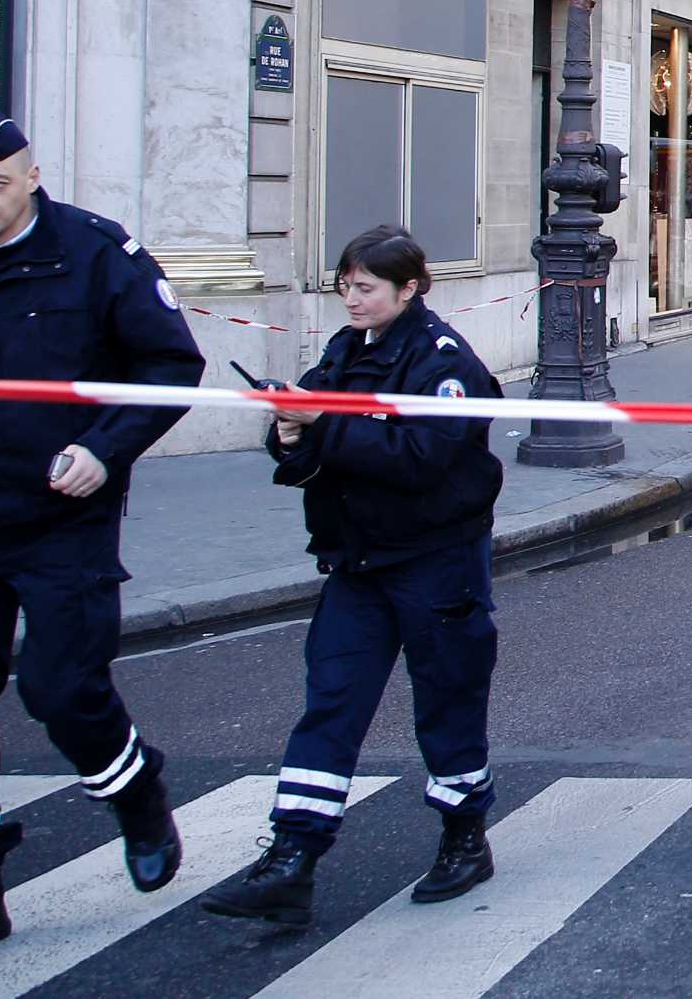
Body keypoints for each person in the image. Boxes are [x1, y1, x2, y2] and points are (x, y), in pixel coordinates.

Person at [0, 107, 202, 976]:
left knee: (61, 688)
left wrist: (103, 451)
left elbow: (171, 367)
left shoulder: (99, 255)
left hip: (64, 516)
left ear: (33, 174)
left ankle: (136, 793)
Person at [203, 225, 507, 927]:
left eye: (365, 287)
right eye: (345, 284)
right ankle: (293, 857)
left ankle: (465, 836)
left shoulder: (443, 363)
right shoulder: (344, 352)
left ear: (409, 289)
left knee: (447, 700)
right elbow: (312, 439)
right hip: (356, 563)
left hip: (436, 562)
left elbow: (422, 457)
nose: (352, 298)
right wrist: (287, 432)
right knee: (332, 702)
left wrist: (320, 429)